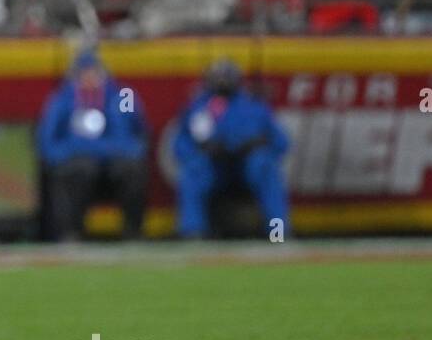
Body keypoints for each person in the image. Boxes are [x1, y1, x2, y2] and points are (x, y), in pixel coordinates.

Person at [36, 50, 147, 241]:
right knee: (78, 170)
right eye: (84, 73)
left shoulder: (122, 96)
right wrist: (65, 153)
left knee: (131, 170)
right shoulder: (62, 99)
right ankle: (70, 232)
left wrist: (119, 150)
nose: (90, 77)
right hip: (78, 160)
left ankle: (132, 230)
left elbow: (135, 131)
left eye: (94, 72)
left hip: (114, 158)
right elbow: (48, 139)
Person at [174, 59, 290, 240]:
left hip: (246, 166)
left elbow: (281, 142)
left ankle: (278, 230)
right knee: (193, 171)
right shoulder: (198, 107)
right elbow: (180, 145)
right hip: (215, 167)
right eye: (218, 77)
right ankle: (193, 230)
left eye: (226, 77)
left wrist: (258, 145)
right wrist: (205, 149)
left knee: (265, 168)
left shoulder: (255, 105)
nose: (222, 81)